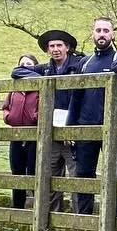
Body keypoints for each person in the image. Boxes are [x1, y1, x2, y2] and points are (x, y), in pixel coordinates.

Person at [69, 17, 117, 216]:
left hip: (112, 127)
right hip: (86, 126)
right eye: (98, 30)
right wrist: (71, 126)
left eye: (106, 30)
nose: (101, 34)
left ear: (113, 34)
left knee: (116, 172)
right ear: (93, 33)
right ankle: (84, 218)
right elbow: (76, 96)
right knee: (84, 173)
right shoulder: (85, 62)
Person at [34, 28, 85, 212]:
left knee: (76, 177)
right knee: (50, 174)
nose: (55, 49)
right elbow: (17, 71)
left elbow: (82, 98)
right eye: (52, 46)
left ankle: (78, 219)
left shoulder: (79, 66)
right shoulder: (45, 69)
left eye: (59, 45)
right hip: (52, 131)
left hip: (73, 131)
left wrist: (72, 128)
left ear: (67, 47)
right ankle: (52, 218)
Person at [2, 52, 40, 209]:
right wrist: (9, 117)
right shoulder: (14, 88)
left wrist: (35, 117)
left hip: (34, 135)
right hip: (16, 134)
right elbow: (5, 107)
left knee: (33, 171)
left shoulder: (40, 86)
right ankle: (17, 208)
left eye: (29, 64)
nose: (25, 67)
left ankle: (37, 208)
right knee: (16, 171)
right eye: (22, 64)